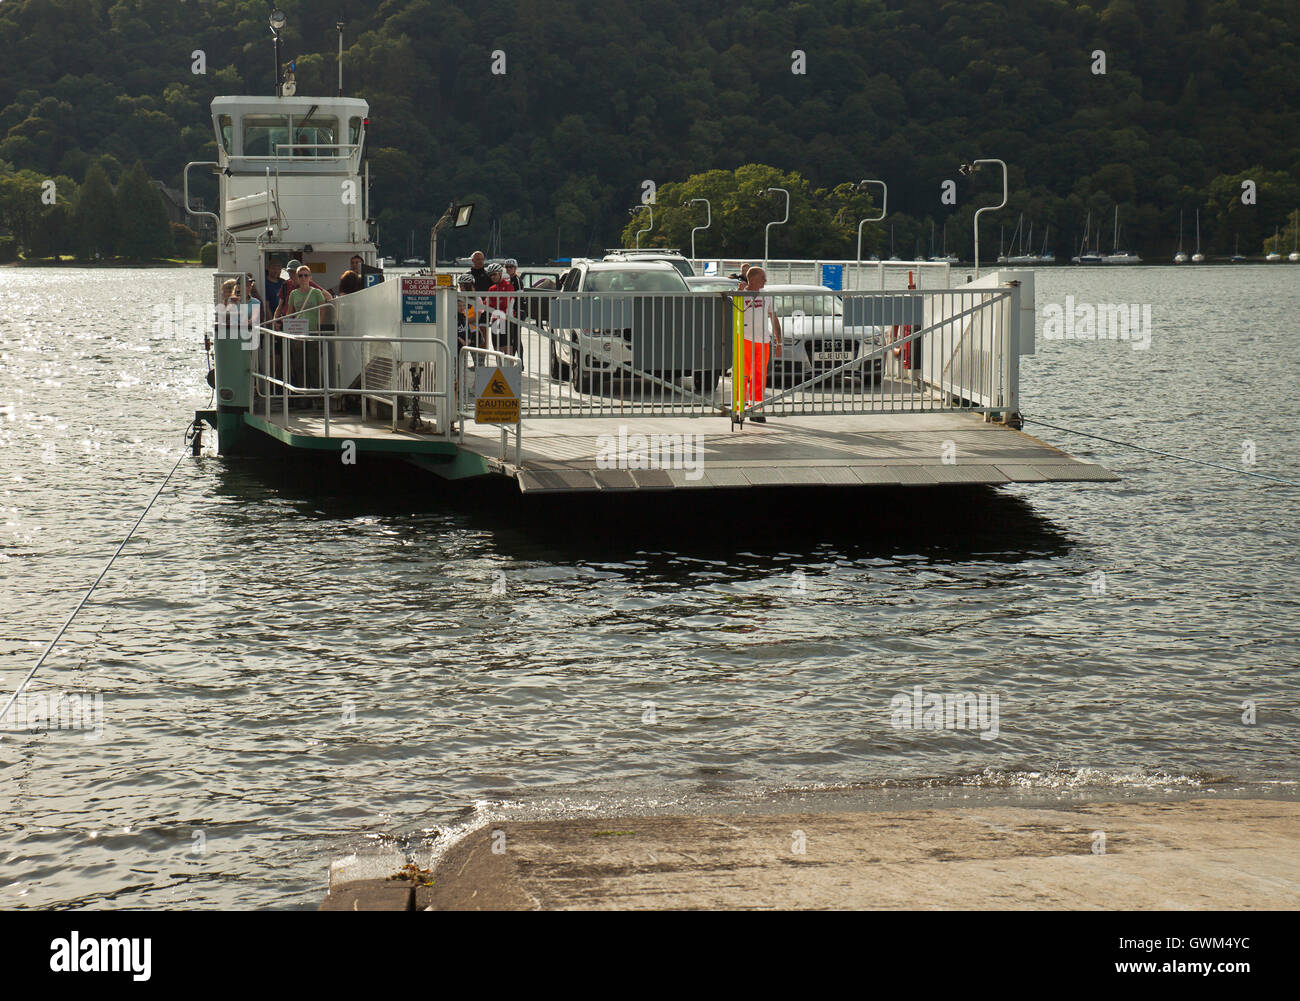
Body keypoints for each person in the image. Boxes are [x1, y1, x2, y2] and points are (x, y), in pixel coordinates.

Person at [740, 266, 780, 423]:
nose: (765, 280)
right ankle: (740, 409)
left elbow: (774, 318)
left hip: (763, 341)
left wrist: (779, 341)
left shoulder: (767, 296)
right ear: (754, 278)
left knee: (759, 376)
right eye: (763, 277)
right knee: (742, 375)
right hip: (744, 339)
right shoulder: (740, 295)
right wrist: (740, 290)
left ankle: (756, 409)